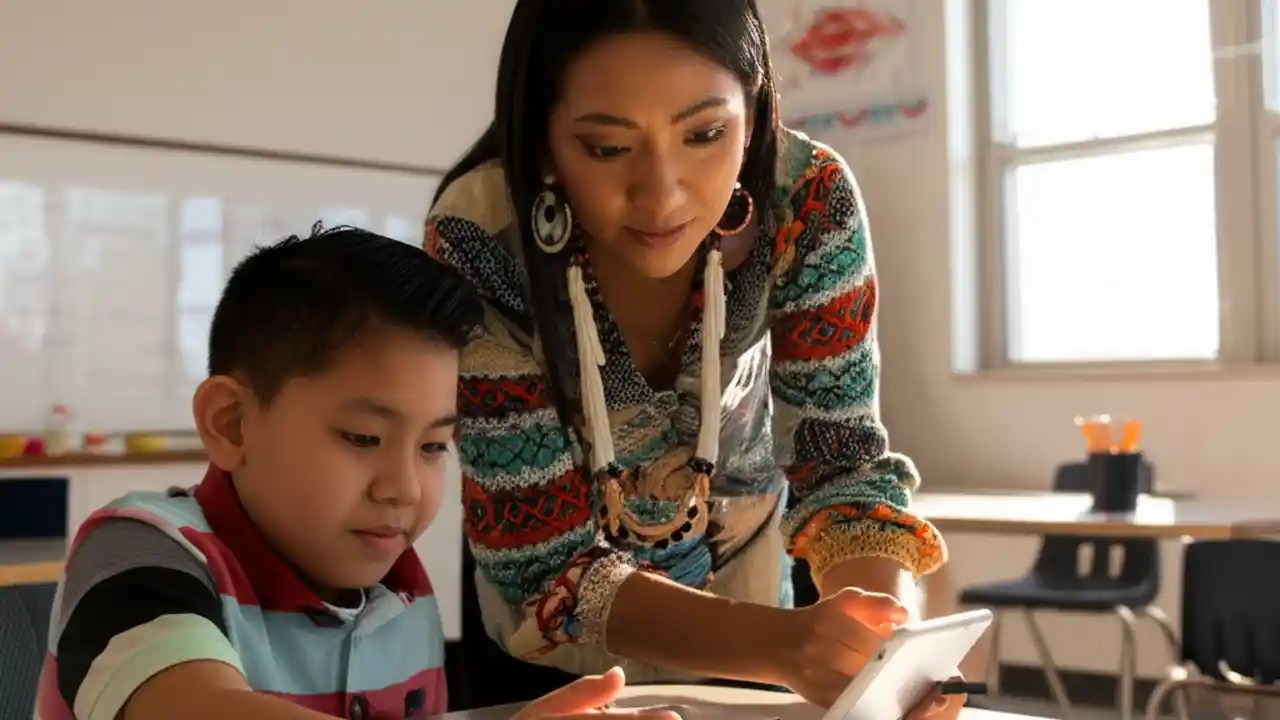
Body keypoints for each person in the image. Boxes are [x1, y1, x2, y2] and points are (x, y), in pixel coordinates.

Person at [424, 1, 960, 717]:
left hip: (749, 614)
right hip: (556, 658)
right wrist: (786, 646)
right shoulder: (482, 237)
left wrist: (884, 642)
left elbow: (842, 462)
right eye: (608, 148)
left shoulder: (806, 204)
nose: (662, 193)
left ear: (756, 112)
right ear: (543, 139)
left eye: (705, 134)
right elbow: (538, 563)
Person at [33, 227, 679, 720]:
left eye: (433, 446)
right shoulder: (136, 550)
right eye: (363, 437)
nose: (402, 487)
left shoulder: (400, 595)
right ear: (231, 423)